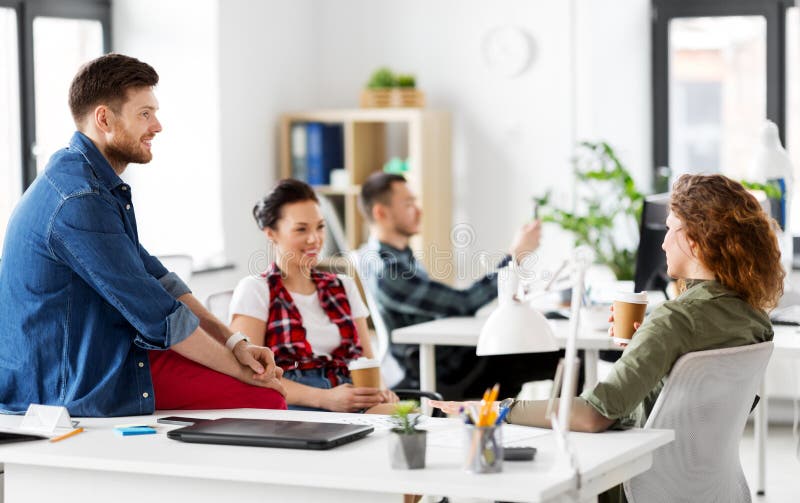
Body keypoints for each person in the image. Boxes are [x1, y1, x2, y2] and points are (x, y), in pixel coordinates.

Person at [431, 174, 784, 502]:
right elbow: (702, 406)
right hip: (706, 486)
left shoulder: (675, 320)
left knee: (509, 479)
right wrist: (647, 348)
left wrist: (499, 409)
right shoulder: (753, 319)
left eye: (670, 229)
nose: (662, 243)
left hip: (637, 482)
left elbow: (593, 416)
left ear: (695, 240)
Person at [0, 54, 285, 417]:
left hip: (106, 352)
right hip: (71, 381)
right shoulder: (79, 200)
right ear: (104, 118)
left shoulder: (90, 181)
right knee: (266, 400)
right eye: (144, 114)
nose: (158, 126)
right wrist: (248, 373)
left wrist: (234, 341)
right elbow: (159, 317)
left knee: (255, 389)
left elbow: (158, 280)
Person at [358, 172, 569, 400]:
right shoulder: (387, 269)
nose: (419, 210)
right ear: (381, 212)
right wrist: (515, 256)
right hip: (445, 370)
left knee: (555, 351)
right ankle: (567, 423)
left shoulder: (398, 257)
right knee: (562, 357)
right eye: (409, 204)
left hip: (452, 358)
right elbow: (463, 303)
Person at [229, 179, 399, 413]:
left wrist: (381, 391)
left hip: (351, 400)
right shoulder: (256, 289)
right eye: (301, 229)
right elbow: (249, 373)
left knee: (408, 421)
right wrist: (324, 398)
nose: (314, 239)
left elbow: (368, 361)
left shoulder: (344, 286)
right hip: (297, 406)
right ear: (271, 233)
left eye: (319, 227)